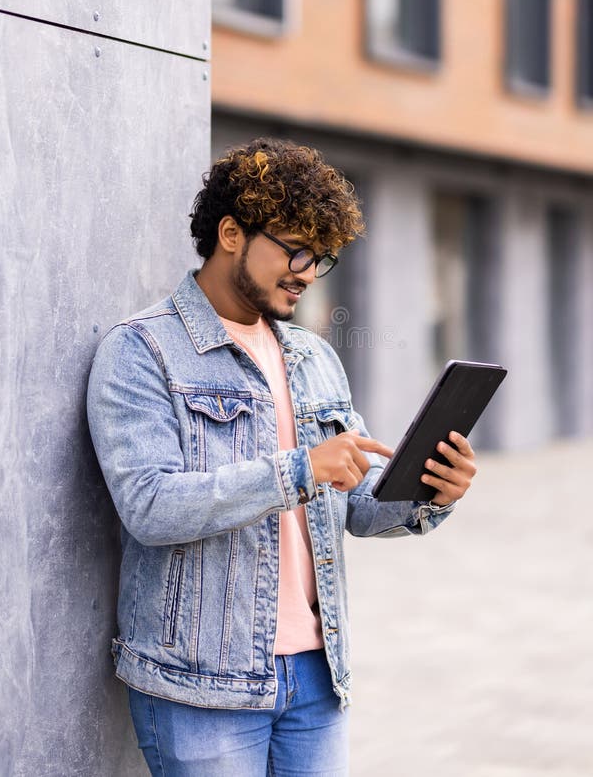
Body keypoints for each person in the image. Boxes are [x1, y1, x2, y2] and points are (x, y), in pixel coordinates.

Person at [87, 137, 477, 776]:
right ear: (232, 232)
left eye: (318, 257)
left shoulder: (313, 356)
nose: (305, 270)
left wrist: (432, 492)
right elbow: (150, 506)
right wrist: (301, 469)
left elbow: (356, 503)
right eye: (293, 249)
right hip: (202, 686)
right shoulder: (142, 351)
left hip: (317, 678)